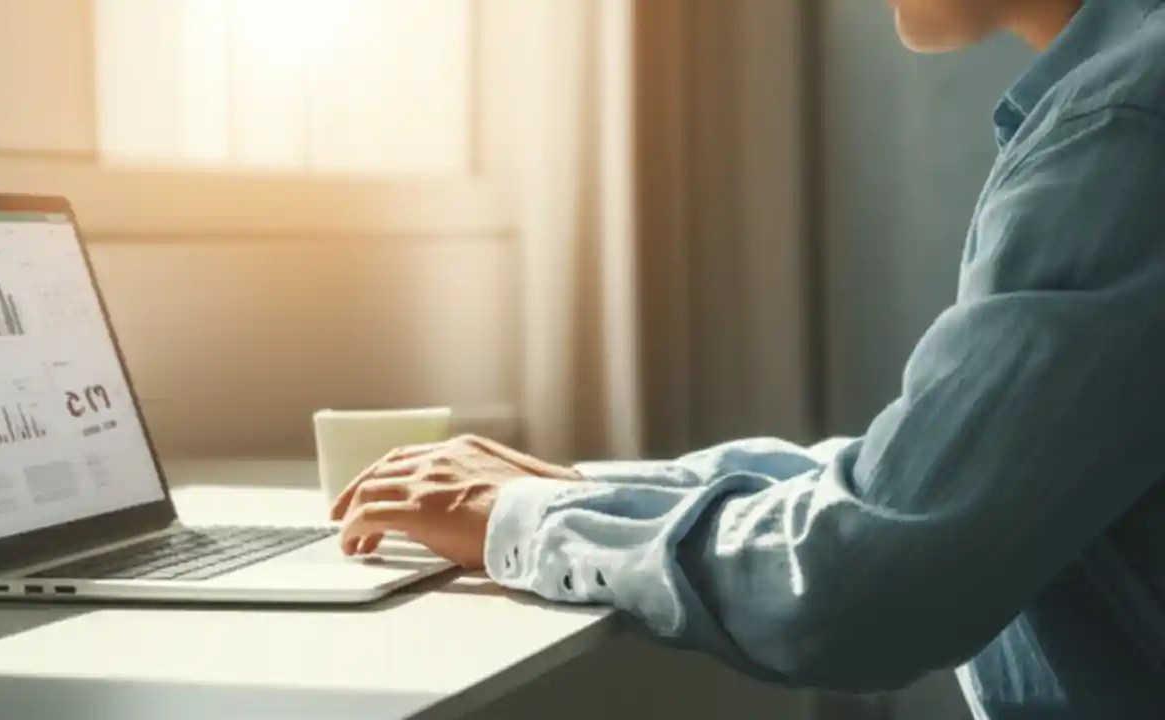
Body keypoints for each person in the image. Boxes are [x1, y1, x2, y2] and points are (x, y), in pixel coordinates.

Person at [332, 0, 1165, 716]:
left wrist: (526, 521)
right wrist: (577, 495)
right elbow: (926, 484)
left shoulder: (1124, 129)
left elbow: (870, 586)